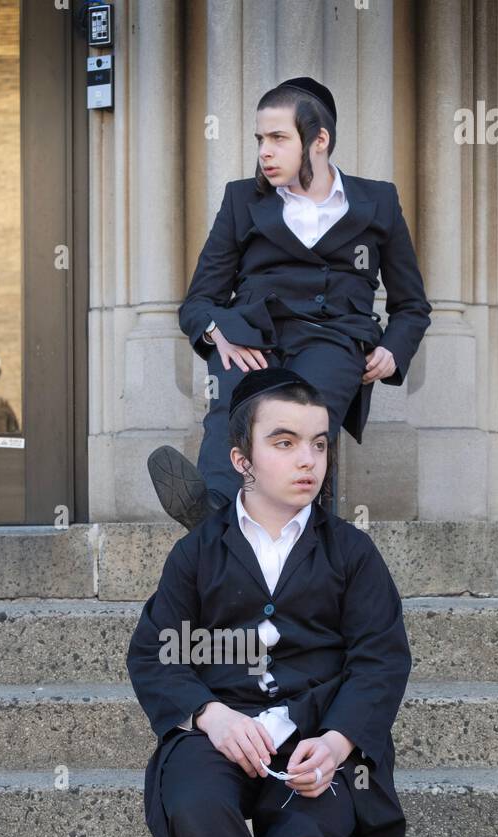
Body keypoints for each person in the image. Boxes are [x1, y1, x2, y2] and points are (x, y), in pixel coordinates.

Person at [127, 368, 412, 837]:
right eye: (284, 443)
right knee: (192, 798)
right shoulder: (199, 553)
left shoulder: (352, 555)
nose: (308, 460)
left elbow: (382, 660)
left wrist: (342, 739)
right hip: (220, 736)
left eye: (318, 444)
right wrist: (211, 716)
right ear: (242, 460)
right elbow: (155, 654)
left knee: (316, 834)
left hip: (318, 741)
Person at [148, 75, 431, 529]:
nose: (264, 151)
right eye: (261, 138)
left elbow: (412, 304)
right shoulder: (242, 199)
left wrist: (393, 350)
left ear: (319, 140)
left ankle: (263, 525)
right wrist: (218, 332)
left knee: (297, 414)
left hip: (335, 338)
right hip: (252, 334)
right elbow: (199, 301)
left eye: (278, 138)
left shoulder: (377, 201)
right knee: (236, 407)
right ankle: (214, 511)